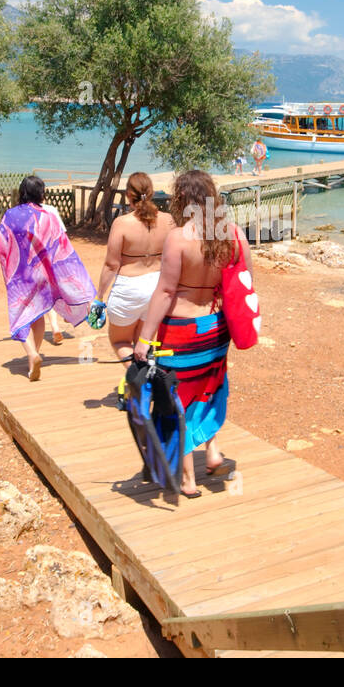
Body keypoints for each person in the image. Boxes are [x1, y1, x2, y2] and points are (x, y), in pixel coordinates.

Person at [135, 170, 250, 497]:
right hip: (216, 330)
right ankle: (212, 452)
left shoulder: (179, 238)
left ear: (181, 199)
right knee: (211, 387)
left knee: (178, 400)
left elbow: (166, 292)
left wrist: (145, 337)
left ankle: (188, 480)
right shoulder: (234, 235)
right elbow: (244, 283)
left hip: (182, 332)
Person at [0, 175, 95, 381]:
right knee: (37, 315)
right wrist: (70, 274)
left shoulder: (10, 215)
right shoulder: (48, 216)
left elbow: (4, 244)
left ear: (22, 192)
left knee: (19, 316)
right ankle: (35, 357)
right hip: (41, 274)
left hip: (20, 276)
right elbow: (61, 246)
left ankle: (32, 353)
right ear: (41, 193)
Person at [93, 173, 176, 365]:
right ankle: (145, 383)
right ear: (152, 192)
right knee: (144, 343)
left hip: (129, 288)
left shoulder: (122, 223)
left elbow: (111, 264)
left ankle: (139, 383)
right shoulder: (168, 221)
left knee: (120, 341)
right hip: (157, 287)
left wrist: (99, 297)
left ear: (128, 195)